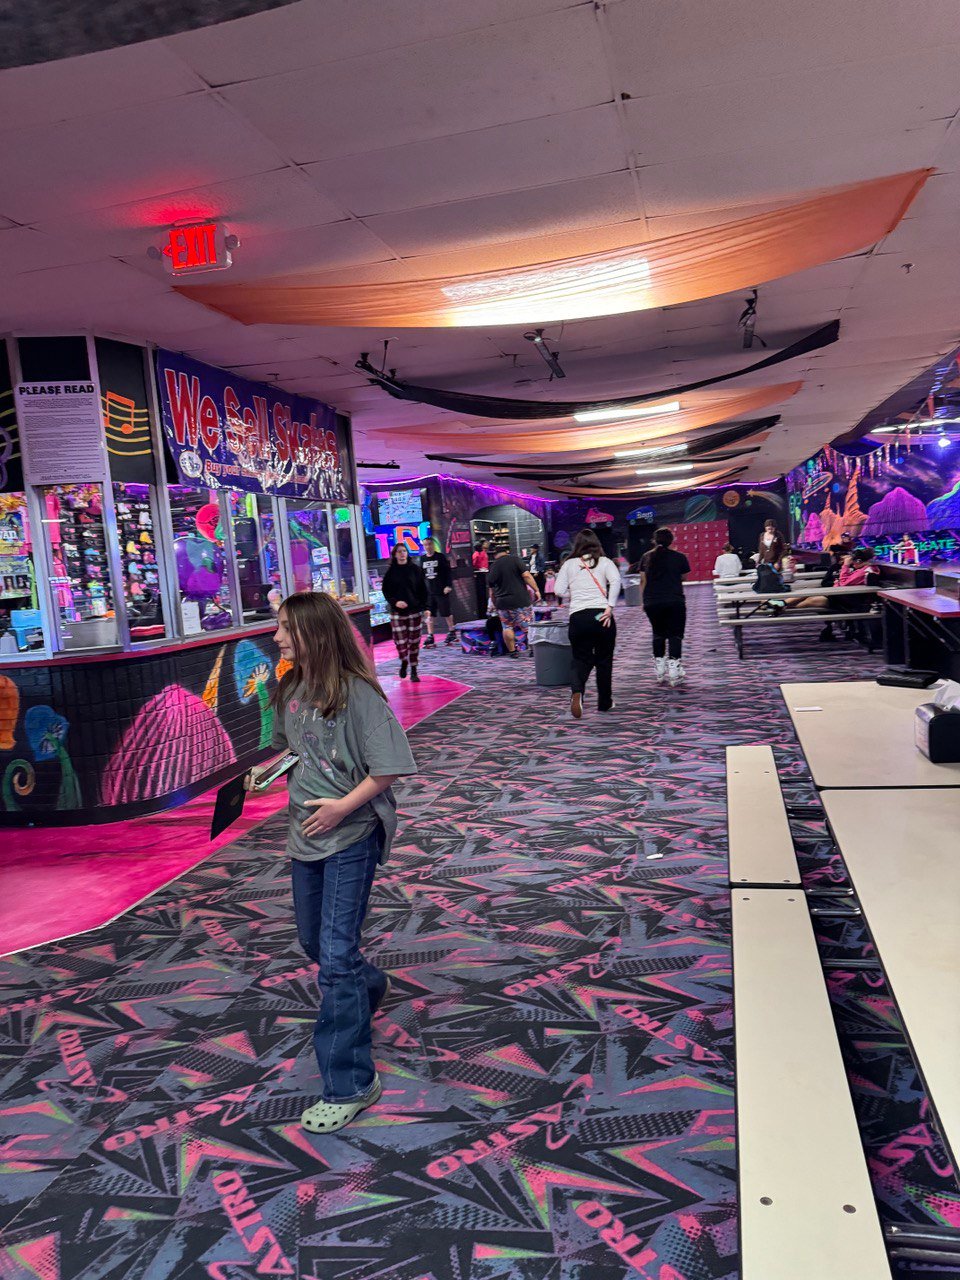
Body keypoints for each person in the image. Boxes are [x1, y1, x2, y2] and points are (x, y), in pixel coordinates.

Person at [262, 592, 417, 1134]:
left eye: (285, 629)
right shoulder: (290, 688)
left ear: (314, 633)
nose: (277, 637)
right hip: (305, 833)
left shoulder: (358, 695)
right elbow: (291, 750)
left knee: (333, 955)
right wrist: (261, 778)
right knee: (317, 943)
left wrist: (340, 808)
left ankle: (351, 1081)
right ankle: (367, 987)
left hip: (350, 833)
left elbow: (390, 767)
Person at [553, 528, 621, 719]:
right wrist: (610, 606)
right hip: (602, 616)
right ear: (596, 543)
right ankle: (604, 702)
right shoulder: (605, 562)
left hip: (578, 617)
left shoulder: (569, 564)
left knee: (580, 658)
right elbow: (616, 582)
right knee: (604, 660)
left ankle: (577, 691)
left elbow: (558, 590)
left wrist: (573, 595)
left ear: (577, 544)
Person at [640, 527, 691, 686]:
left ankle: (660, 669)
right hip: (674, 600)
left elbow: (643, 581)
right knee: (675, 634)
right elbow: (684, 577)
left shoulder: (646, 557)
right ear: (671, 541)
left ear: (654, 540)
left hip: (652, 602)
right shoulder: (680, 557)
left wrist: (644, 601)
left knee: (658, 633)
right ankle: (674, 670)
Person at [381, 543, 428, 681]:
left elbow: (423, 590)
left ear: (407, 553)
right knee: (400, 641)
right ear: (395, 555)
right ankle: (404, 661)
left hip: (414, 610)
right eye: (399, 552)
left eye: (404, 551)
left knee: (414, 642)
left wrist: (425, 607)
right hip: (397, 612)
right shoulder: (390, 572)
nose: (402, 554)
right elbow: (386, 591)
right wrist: (395, 602)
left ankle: (414, 669)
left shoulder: (416, 570)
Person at [488, 546, 541, 658]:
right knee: (529, 627)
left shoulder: (493, 567)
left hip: (502, 603)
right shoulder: (515, 560)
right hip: (520, 600)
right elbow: (526, 575)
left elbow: (491, 591)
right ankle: (533, 650)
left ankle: (512, 652)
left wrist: (495, 603)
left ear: (495, 555)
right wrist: (536, 590)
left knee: (507, 627)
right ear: (506, 552)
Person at [421, 536, 456, 647]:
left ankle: (451, 631)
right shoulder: (422, 559)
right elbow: (421, 575)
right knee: (430, 614)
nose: (428, 547)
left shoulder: (440, 557)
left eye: (429, 544)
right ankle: (430, 636)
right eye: (425, 545)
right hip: (429, 592)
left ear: (433, 545)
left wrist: (448, 585)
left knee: (446, 612)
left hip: (441, 590)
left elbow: (448, 572)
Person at [472, 540, 489, 617]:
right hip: (480, 575)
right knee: (481, 595)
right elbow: (474, 564)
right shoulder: (477, 554)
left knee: (483, 594)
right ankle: (482, 612)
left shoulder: (481, 553)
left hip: (483, 573)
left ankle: (484, 611)